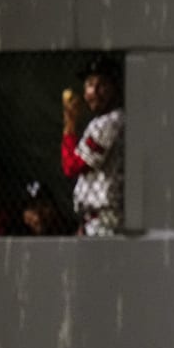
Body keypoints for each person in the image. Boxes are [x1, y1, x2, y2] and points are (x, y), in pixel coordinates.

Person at [61, 56, 125, 236]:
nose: (94, 91)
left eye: (102, 85)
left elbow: (71, 166)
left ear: (115, 88)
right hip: (96, 221)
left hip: (106, 221)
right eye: (89, 84)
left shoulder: (112, 121)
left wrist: (70, 125)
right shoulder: (102, 121)